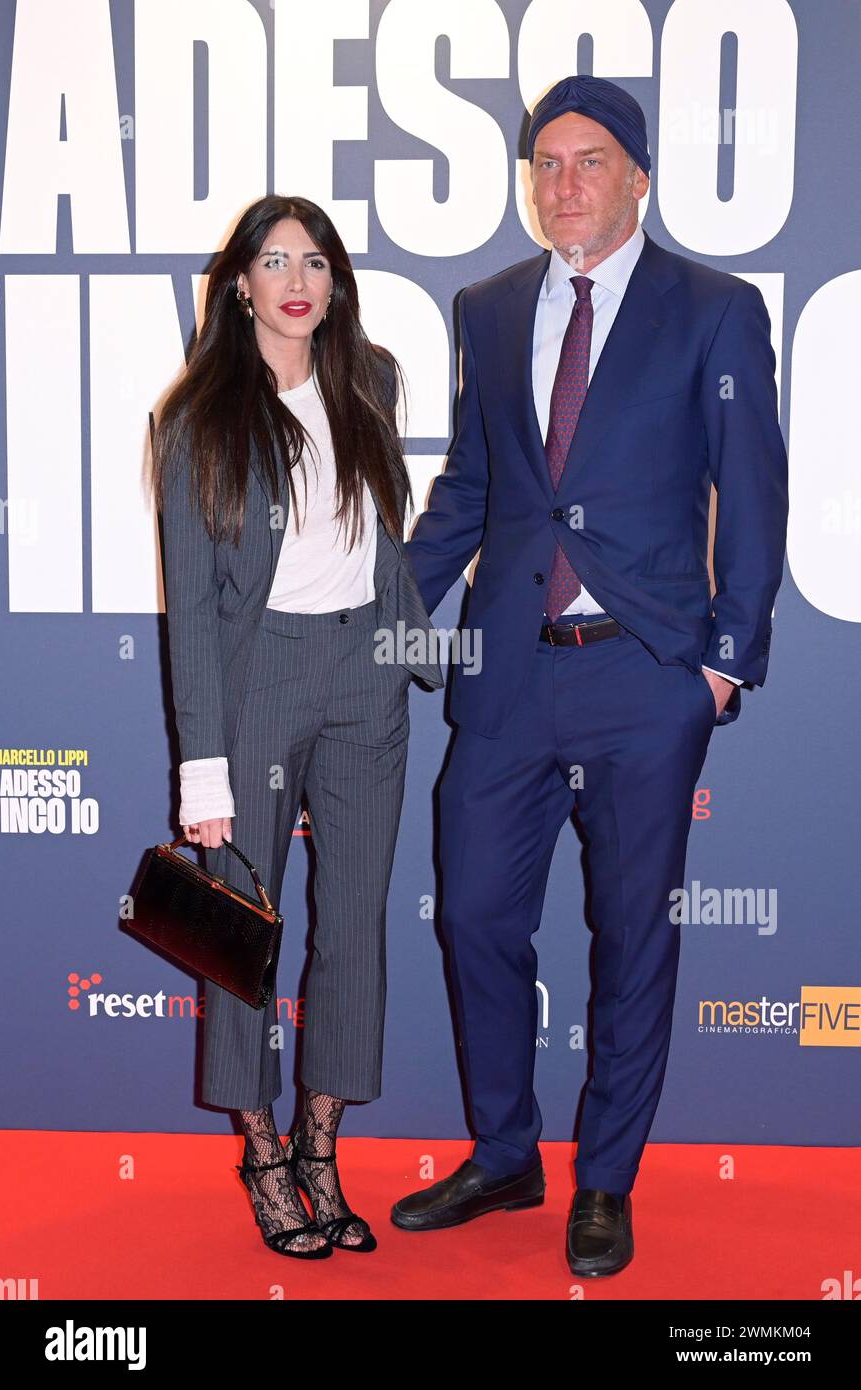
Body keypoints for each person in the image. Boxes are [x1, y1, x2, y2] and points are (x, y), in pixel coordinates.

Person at [391, 75, 789, 1276]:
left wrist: (720, 664)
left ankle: (603, 1179)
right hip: (508, 671)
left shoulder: (712, 310)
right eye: (545, 164)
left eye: (588, 162)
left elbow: (753, 494)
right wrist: (382, 628)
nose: (562, 184)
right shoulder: (489, 304)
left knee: (631, 939)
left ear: (637, 178)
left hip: (646, 676)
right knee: (468, 916)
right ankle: (504, 1151)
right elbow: (473, 485)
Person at [153, 194, 443, 1259]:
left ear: (334, 281)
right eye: (274, 261)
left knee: (354, 922)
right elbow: (190, 603)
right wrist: (203, 767)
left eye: (314, 261)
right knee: (244, 940)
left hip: (365, 670)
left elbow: (389, 530)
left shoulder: (367, 380)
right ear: (238, 283)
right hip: (258, 673)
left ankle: (322, 1142)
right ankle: (261, 1146)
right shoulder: (197, 419)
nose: (297, 279)